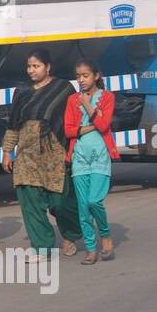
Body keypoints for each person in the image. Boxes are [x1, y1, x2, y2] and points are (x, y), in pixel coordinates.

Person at [0, 48, 83, 261]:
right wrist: (8, 151)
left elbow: (75, 119)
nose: (31, 71)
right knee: (30, 200)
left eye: (36, 66)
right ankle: (42, 247)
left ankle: (71, 233)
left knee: (60, 201)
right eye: (29, 66)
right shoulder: (22, 92)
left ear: (48, 67)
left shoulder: (63, 89)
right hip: (27, 155)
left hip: (54, 153)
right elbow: (13, 125)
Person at [65, 58, 118, 265]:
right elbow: (68, 130)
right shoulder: (72, 100)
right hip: (79, 157)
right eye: (78, 76)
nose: (81, 80)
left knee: (94, 200)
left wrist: (87, 105)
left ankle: (105, 235)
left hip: (100, 156)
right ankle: (90, 248)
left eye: (85, 75)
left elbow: (105, 126)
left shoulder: (107, 97)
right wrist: (90, 126)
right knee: (82, 207)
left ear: (96, 76)